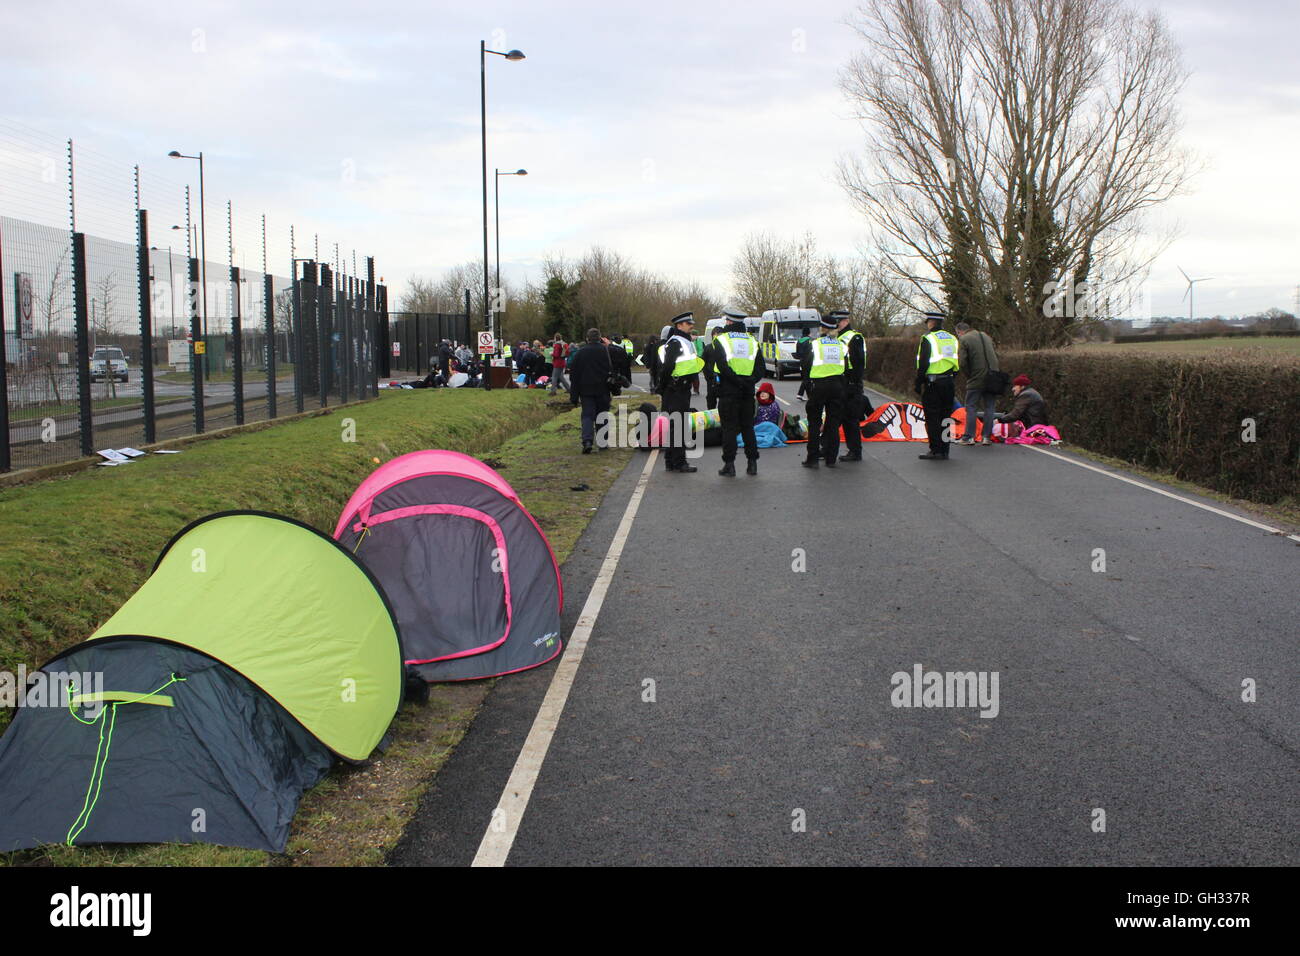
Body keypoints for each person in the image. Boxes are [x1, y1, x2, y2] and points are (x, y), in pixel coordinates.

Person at [704, 309, 766, 476]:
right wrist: (749, 381)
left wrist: (736, 381)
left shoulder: (721, 340)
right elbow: (761, 368)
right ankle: (752, 463)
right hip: (747, 391)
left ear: (729, 322)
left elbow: (723, 366)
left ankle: (729, 465)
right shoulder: (753, 341)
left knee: (729, 429)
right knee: (748, 428)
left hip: (728, 390)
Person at [657, 312, 703, 473]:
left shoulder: (683, 341)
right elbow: (668, 367)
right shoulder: (677, 342)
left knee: (674, 425)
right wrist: (662, 387)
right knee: (679, 426)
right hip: (676, 389)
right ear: (679, 325)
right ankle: (679, 462)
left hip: (679, 388)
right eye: (688, 323)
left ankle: (671, 460)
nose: (691, 325)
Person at [801, 314, 847, 469]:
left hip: (819, 386)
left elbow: (806, 366)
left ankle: (812, 459)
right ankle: (831, 458)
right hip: (837, 386)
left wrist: (807, 386)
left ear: (822, 328)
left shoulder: (815, 344)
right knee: (833, 423)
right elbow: (845, 366)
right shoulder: (841, 345)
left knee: (814, 422)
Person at [914, 311, 960, 460]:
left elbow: (924, 363)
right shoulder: (952, 338)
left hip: (933, 383)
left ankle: (935, 450)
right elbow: (956, 362)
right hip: (949, 382)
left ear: (931, 322)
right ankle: (945, 450)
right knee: (946, 417)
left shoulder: (928, 338)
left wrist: (918, 382)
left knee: (933, 417)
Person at [566, 328, 615, 453]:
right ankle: (602, 442)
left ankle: (587, 441)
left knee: (587, 415)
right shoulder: (604, 351)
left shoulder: (580, 353)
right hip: (602, 388)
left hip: (586, 389)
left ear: (587, 338)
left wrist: (574, 395)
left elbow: (574, 375)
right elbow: (611, 368)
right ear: (599, 338)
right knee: (602, 415)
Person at [833, 309, 868, 461]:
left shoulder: (854, 337)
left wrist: (853, 382)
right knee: (836, 417)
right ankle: (828, 448)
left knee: (850, 419)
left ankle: (855, 451)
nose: (836, 325)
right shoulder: (837, 337)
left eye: (838, 322)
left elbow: (859, 362)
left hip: (851, 384)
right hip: (840, 383)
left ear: (846, 321)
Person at [956, 321, 1000, 445]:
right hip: (993, 377)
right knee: (990, 407)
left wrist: (969, 376)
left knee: (971, 407)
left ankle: (968, 437)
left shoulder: (964, 339)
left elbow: (963, 362)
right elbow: (996, 355)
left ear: (959, 332)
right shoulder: (986, 336)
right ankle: (986, 437)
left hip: (976, 377)